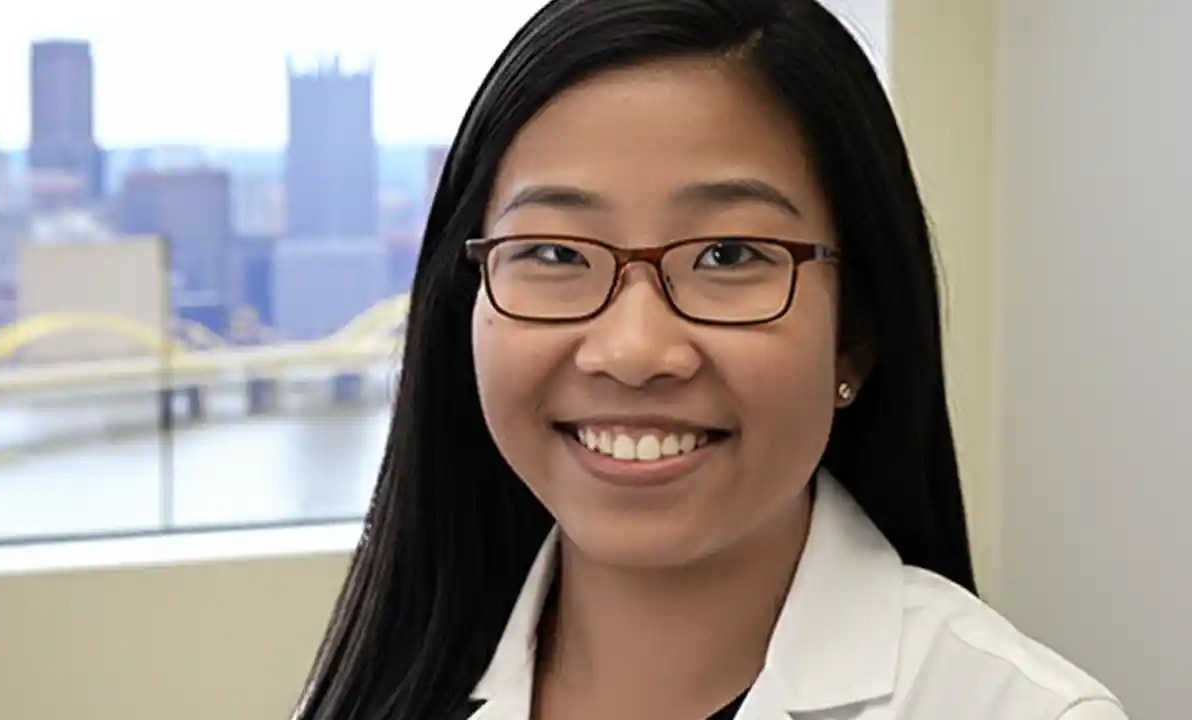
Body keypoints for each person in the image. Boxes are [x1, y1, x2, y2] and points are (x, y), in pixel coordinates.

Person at [292, 1, 1127, 718]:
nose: (634, 350)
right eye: (552, 253)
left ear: (857, 334)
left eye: (729, 254)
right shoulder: (388, 686)